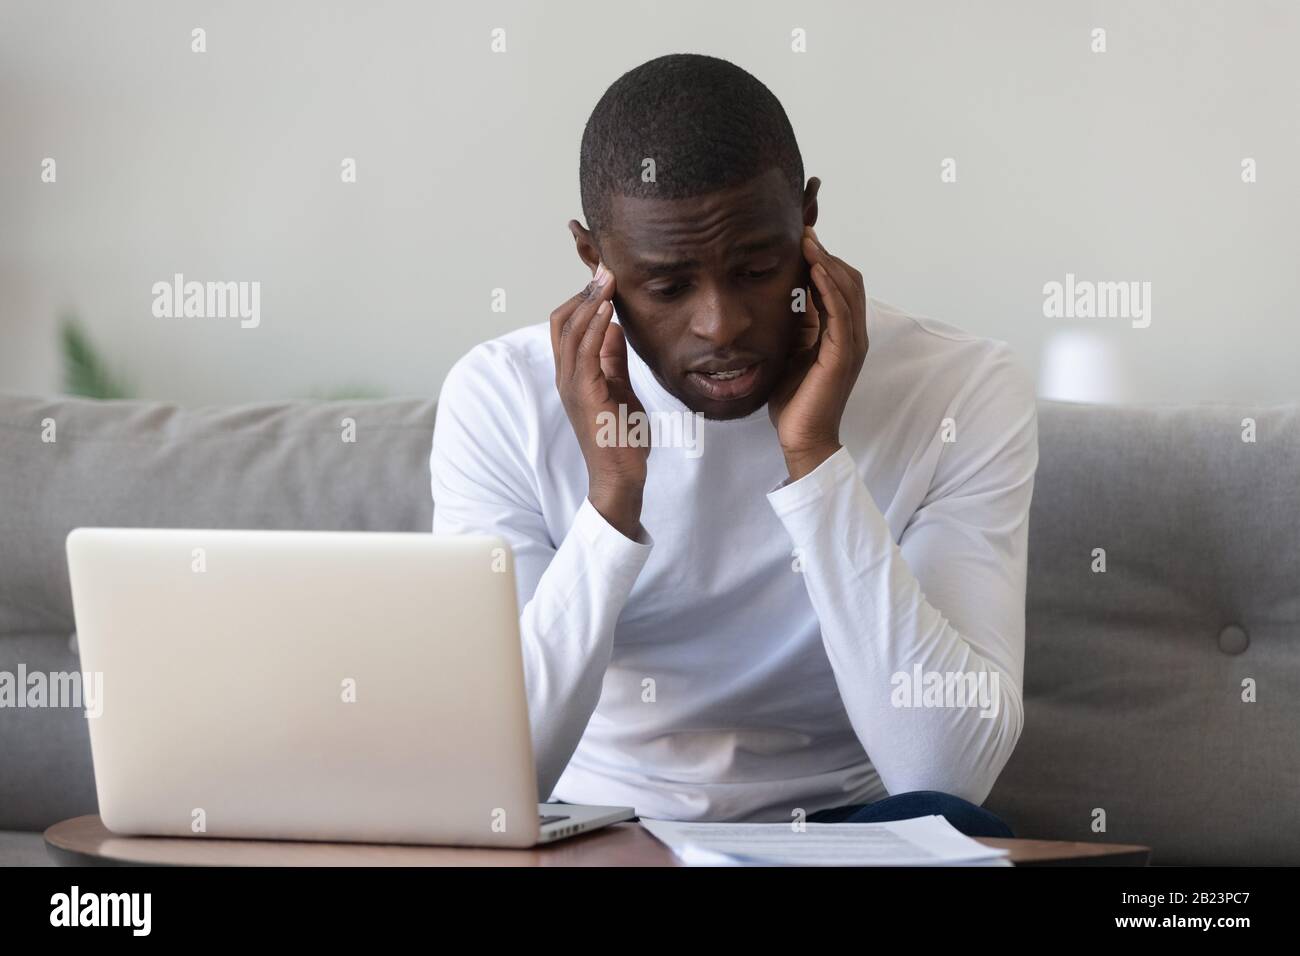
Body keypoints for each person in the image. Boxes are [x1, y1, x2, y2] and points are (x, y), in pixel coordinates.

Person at [430, 53, 1037, 839]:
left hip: (847, 836)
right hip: (600, 831)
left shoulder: (962, 388)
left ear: (807, 219)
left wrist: (816, 460)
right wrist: (612, 502)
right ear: (595, 262)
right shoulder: (501, 398)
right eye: (668, 287)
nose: (721, 324)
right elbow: (491, 779)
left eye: (755, 269)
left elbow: (946, 773)